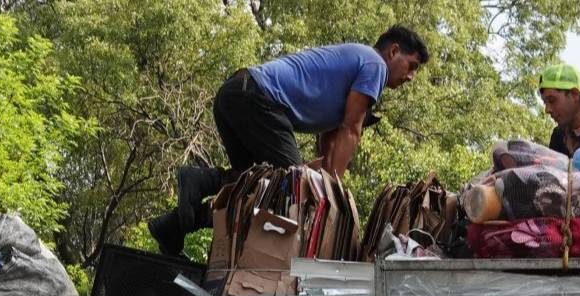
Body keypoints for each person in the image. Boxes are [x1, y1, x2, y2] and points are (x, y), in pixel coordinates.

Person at [148, 26, 431, 255]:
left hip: (236, 95)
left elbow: (329, 154)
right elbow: (350, 131)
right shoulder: (374, 65)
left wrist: (324, 183)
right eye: (411, 65)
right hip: (258, 99)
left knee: (256, 192)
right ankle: (202, 183)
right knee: (289, 191)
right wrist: (332, 198)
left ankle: (175, 223)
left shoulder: (350, 71)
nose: (410, 77)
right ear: (394, 51)